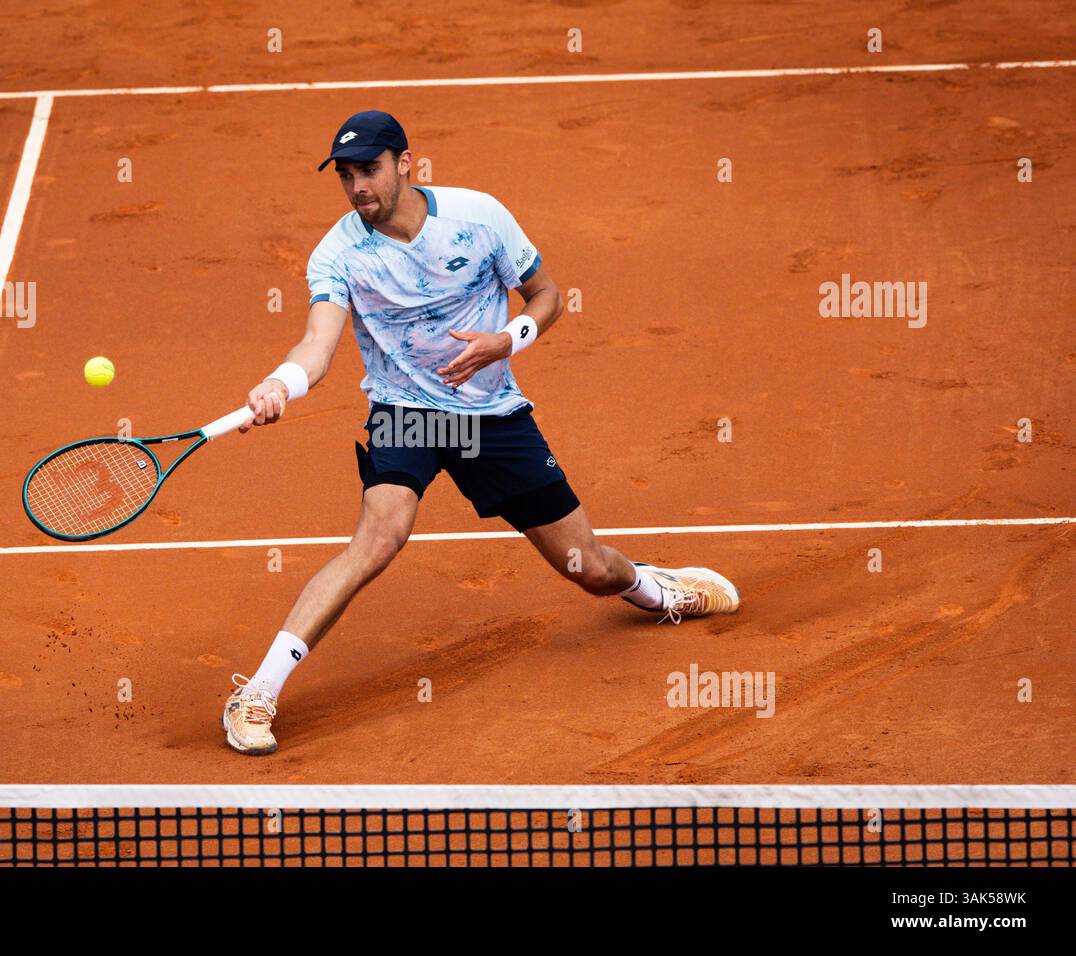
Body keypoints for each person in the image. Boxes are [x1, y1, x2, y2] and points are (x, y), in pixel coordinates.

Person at [222, 110, 739, 755]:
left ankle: (658, 589)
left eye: (370, 171)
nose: (359, 189)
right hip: (406, 412)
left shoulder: (480, 217)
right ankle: (257, 695)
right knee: (378, 539)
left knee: (590, 569)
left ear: (405, 164)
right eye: (347, 176)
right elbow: (317, 343)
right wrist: (280, 383)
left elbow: (547, 296)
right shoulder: (338, 254)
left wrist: (506, 341)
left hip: (493, 417)